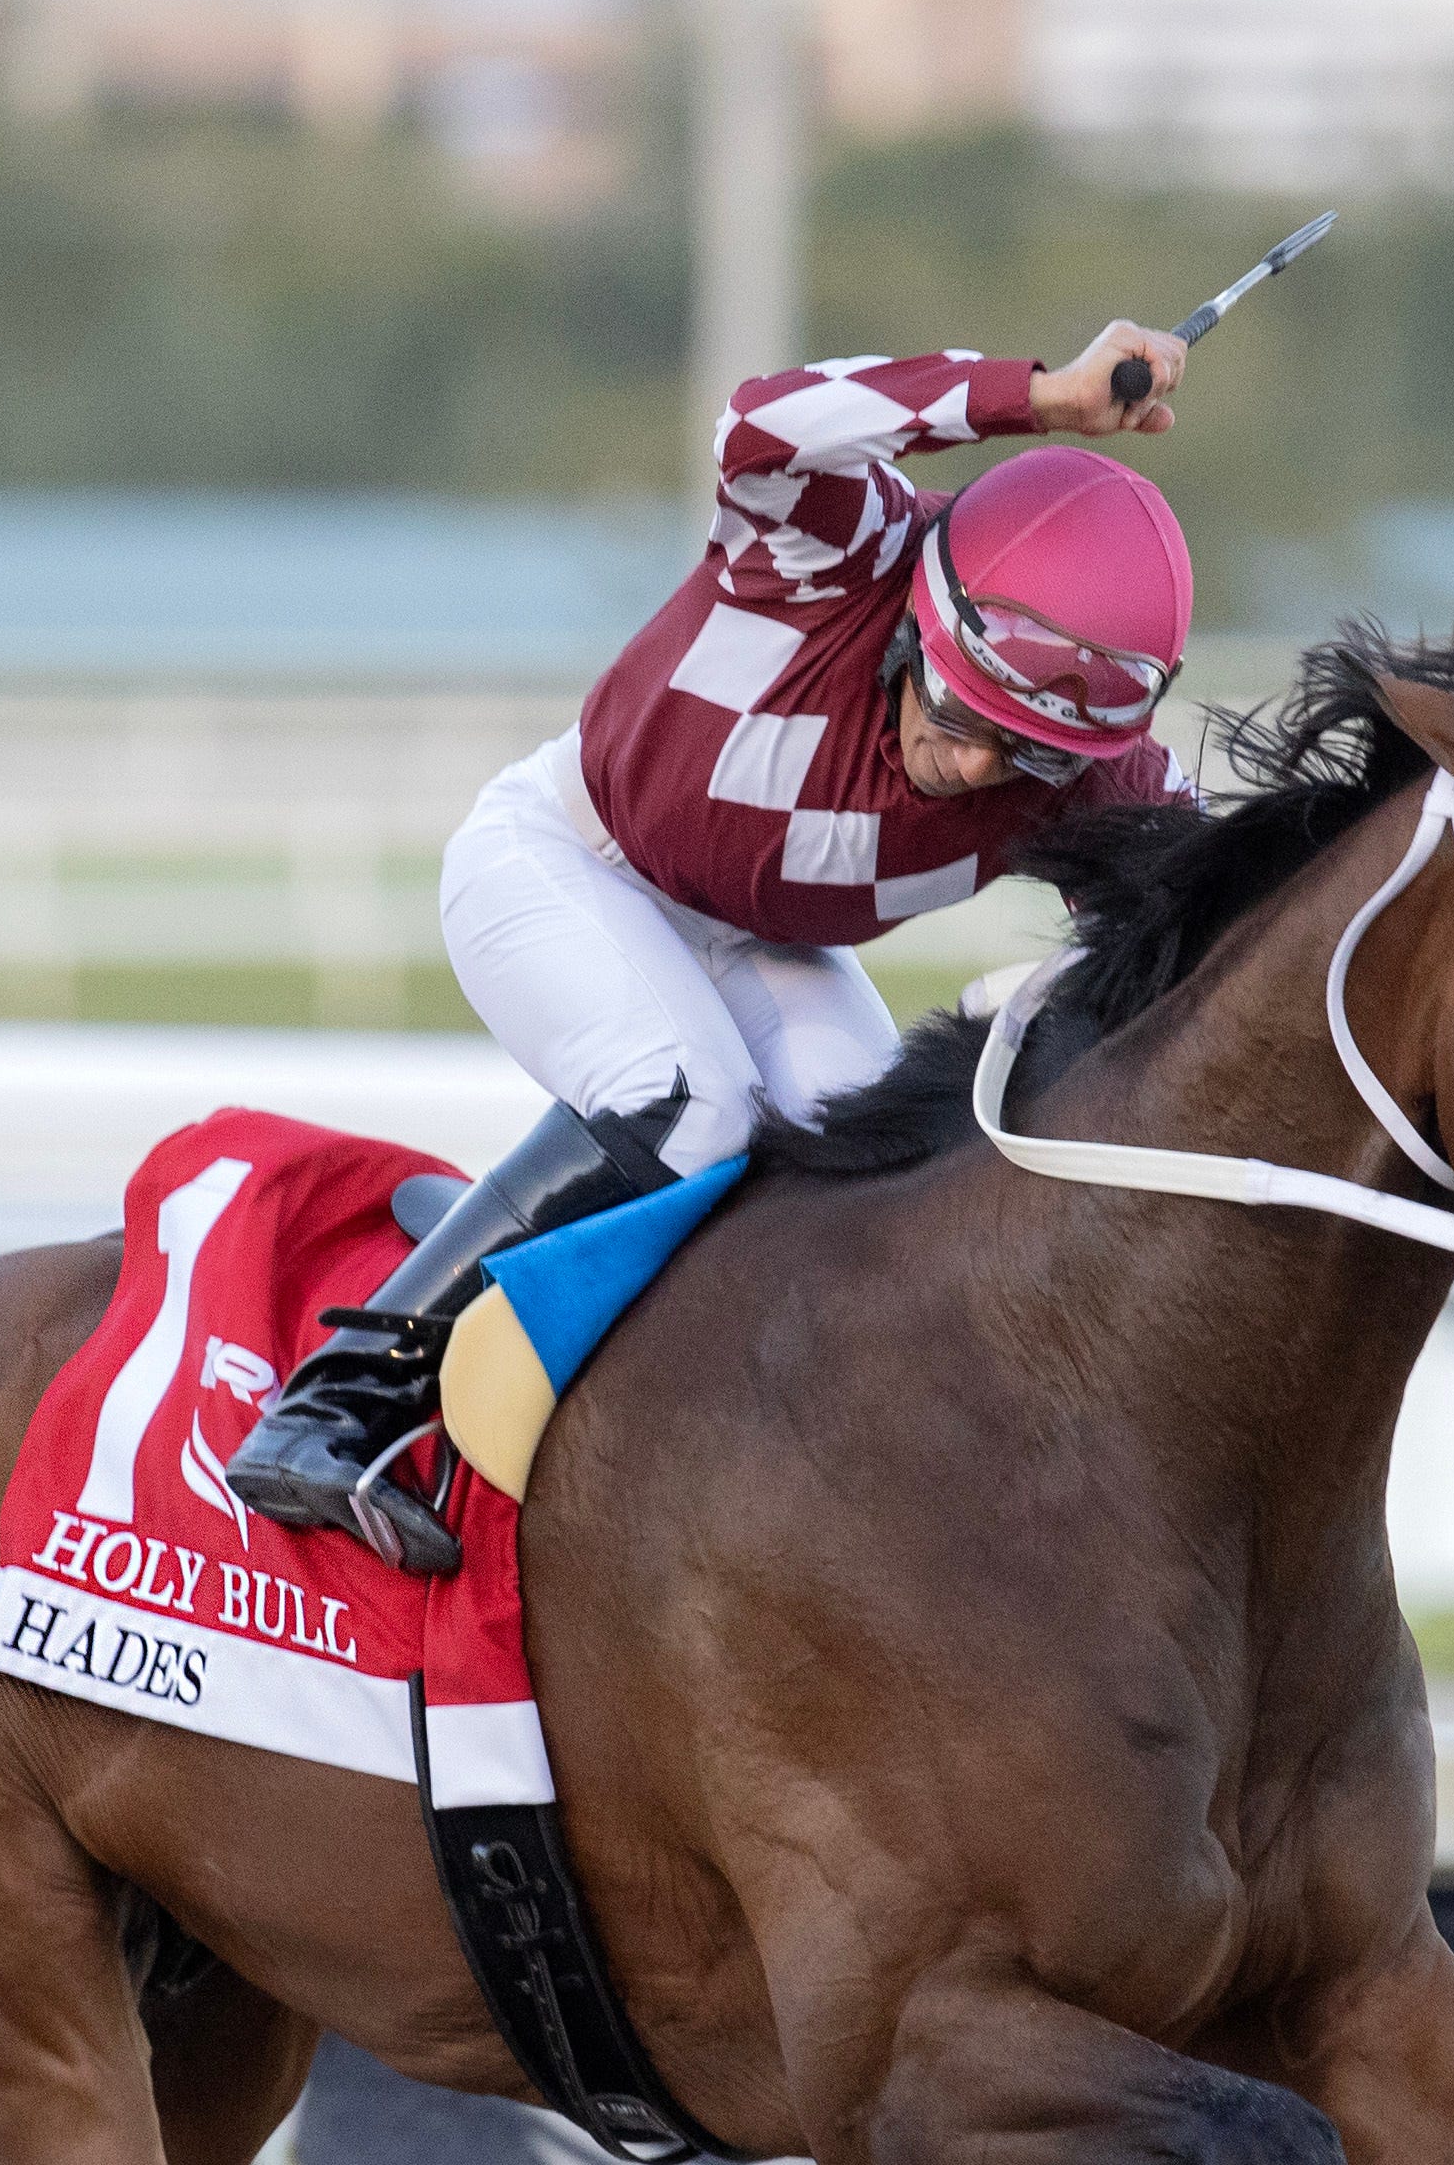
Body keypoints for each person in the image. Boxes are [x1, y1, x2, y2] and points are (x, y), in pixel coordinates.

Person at [228, 321, 1200, 1570]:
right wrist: (1042, 397)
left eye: (1026, 755)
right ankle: (333, 1407)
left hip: (757, 940)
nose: (973, 768)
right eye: (962, 713)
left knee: (878, 1184)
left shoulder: (1094, 774)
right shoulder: (835, 551)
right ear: (924, 621)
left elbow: (1225, 924)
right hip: (569, 857)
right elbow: (763, 419)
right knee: (694, 1105)